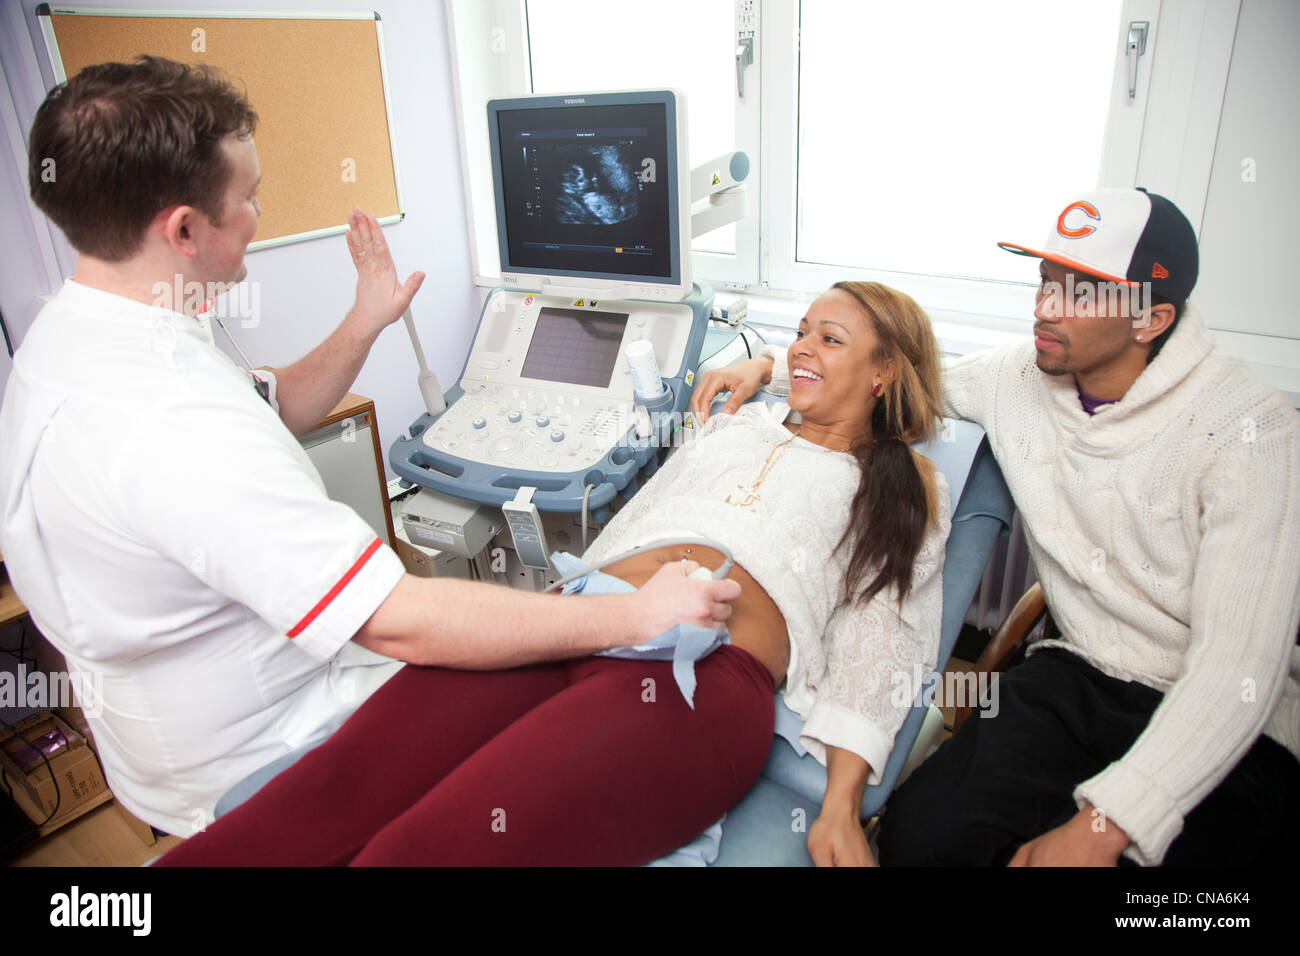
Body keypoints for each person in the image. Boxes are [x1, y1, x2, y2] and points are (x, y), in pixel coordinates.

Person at [0, 56, 738, 838]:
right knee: (551, 699)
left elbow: (266, 408)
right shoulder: (170, 421)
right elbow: (396, 620)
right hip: (273, 750)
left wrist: (366, 320)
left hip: (153, 746)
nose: (257, 210)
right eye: (247, 197)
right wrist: (636, 617)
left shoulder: (71, 335)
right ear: (183, 229)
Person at [154, 279, 950, 866]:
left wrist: (842, 802)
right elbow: (794, 374)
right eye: (801, 330)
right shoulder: (735, 420)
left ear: (885, 374)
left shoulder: (903, 482)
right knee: (332, 789)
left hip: (699, 673)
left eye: (831, 339)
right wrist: (771, 368)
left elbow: (888, 634)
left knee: (422, 850)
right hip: (571, 619)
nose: (805, 346)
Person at [693, 187, 1300, 867]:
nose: (1044, 308)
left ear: (1149, 319)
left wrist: (1104, 826)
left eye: (1079, 293)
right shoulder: (1020, 376)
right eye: (1045, 282)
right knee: (923, 838)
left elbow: (1236, 668)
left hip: (1228, 716)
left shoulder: (1251, 431)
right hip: (1080, 675)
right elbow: (885, 378)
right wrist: (766, 364)